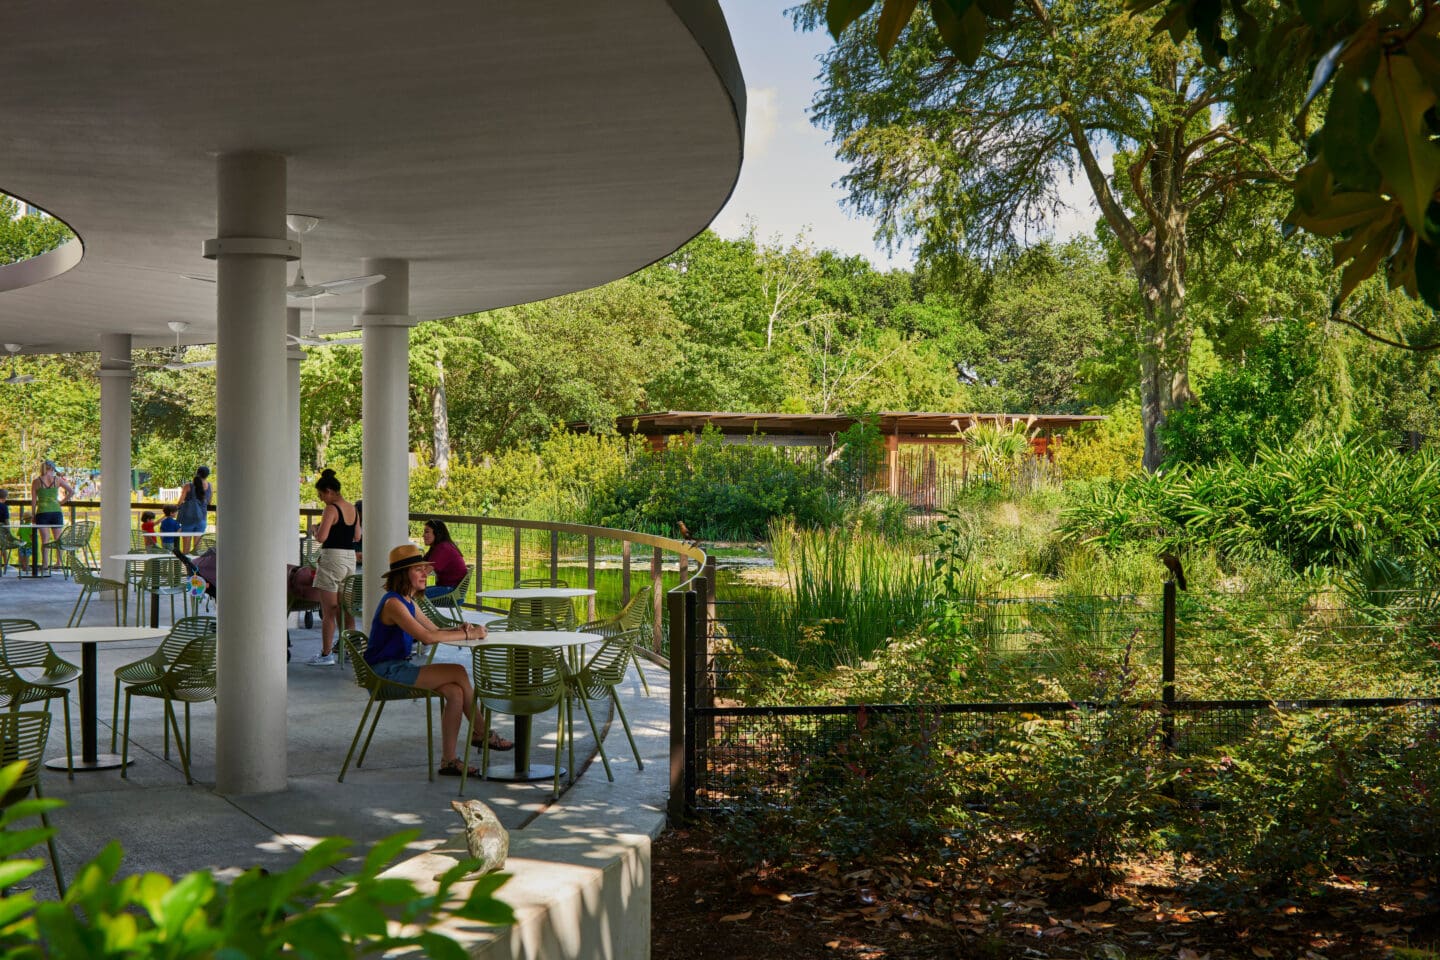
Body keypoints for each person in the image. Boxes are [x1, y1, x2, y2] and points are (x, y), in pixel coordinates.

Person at [366, 543, 512, 775]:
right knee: (458, 672)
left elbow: (435, 628)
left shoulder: (408, 601)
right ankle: (482, 733)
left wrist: (460, 627)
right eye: (418, 570)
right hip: (384, 673)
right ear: (403, 574)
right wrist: (469, 634)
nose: (425, 574)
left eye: (425, 569)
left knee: (455, 692)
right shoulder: (393, 603)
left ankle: (449, 761)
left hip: (398, 666)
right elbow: (427, 638)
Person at [306, 469, 361, 665]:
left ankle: (326, 653)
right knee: (346, 608)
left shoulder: (331, 509)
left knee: (329, 610)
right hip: (349, 558)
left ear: (329, 491)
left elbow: (322, 537)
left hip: (332, 558)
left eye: (321, 495)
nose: (322, 499)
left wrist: (315, 529)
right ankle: (352, 649)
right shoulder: (353, 509)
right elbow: (357, 536)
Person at [31, 459, 73, 570]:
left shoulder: (36, 481)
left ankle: (45, 565)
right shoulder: (57, 480)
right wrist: (61, 502)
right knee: (58, 539)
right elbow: (71, 491)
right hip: (56, 511)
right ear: (52, 468)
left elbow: (34, 500)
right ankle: (59, 563)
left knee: (45, 539)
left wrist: (33, 514)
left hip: (42, 512)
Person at [421, 519, 468, 599]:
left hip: (451, 592)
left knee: (413, 595)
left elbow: (424, 573)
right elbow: (420, 564)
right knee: (412, 593)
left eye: (427, 532)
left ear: (437, 533)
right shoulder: (437, 547)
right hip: (450, 589)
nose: (423, 535)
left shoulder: (443, 548)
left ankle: (412, 611)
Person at [175, 465, 212, 553]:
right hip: (202, 519)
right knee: (197, 549)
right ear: (207, 475)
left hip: (188, 518)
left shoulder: (188, 486)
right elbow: (209, 502)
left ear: (197, 473)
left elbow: (180, 502)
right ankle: (196, 566)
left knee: (186, 549)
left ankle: (187, 566)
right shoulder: (209, 486)